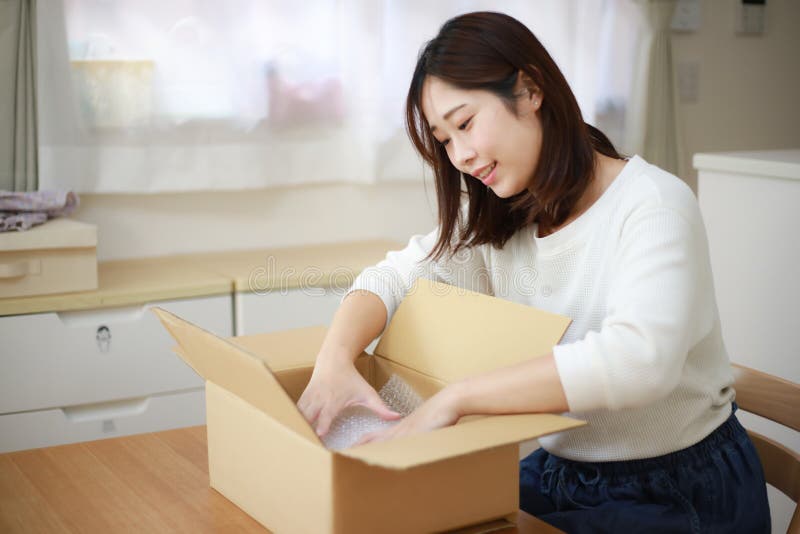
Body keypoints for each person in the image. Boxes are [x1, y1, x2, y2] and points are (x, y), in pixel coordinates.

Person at [297, 11, 770, 533]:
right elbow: (395, 274)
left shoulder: (653, 204)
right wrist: (334, 360)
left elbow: (639, 362)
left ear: (529, 90)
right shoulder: (504, 213)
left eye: (466, 123)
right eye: (445, 139)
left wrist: (455, 400)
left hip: (677, 488)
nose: (462, 155)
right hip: (567, 472)